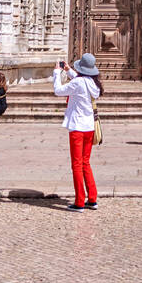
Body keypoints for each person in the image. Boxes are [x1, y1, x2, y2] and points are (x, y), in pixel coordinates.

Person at [52, 54, 102, 210]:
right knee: (85, 162)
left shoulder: (79, 82)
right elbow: (81, 82)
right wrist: (68, 70)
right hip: (90, 128)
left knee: (77, 164)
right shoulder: (94, 84)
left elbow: (58, 90)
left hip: (78, 128)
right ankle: (92, 198)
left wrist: (56, 72)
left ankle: (80, 201)